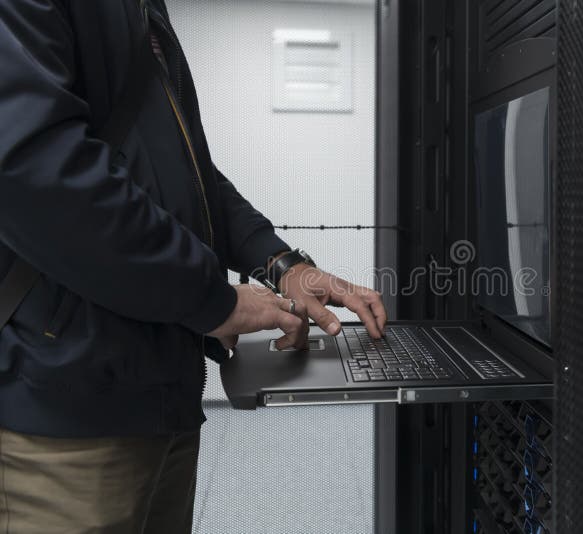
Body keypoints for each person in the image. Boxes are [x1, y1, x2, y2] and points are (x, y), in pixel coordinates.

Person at [0, 0, 386, 532]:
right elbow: (35, 174)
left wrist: (282, 265)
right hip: (64, 413)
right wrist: (215, 300)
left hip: (160, 394)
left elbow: (191, 177)